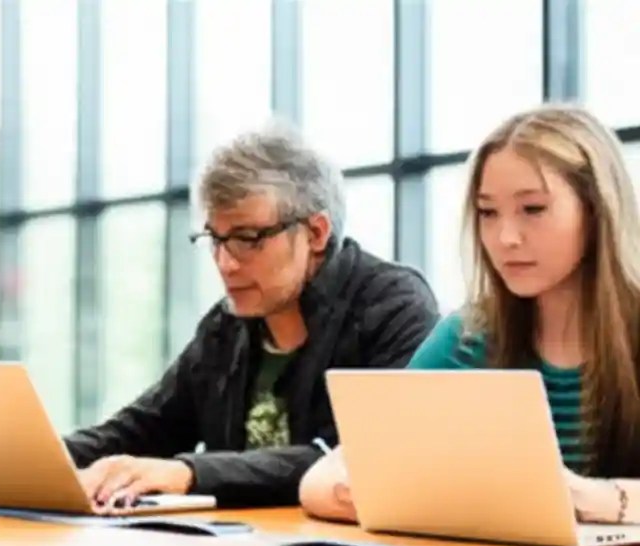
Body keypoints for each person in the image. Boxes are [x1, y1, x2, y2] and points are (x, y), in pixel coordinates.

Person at [67, 125, 439, 510]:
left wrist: (189, 473)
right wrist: (40, 459)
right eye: (216, 239)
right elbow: (144, 429)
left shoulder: (392, 306)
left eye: (247, 239)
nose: (226, 263)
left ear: (316, 232)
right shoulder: (225, 327)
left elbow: (359, 459)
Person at [300, 105, 640, 524]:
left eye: (533, 209)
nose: (506, 238)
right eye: (487, 213)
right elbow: (321, 480)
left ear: (598, 211)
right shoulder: (469, 336)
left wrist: (594, 499)